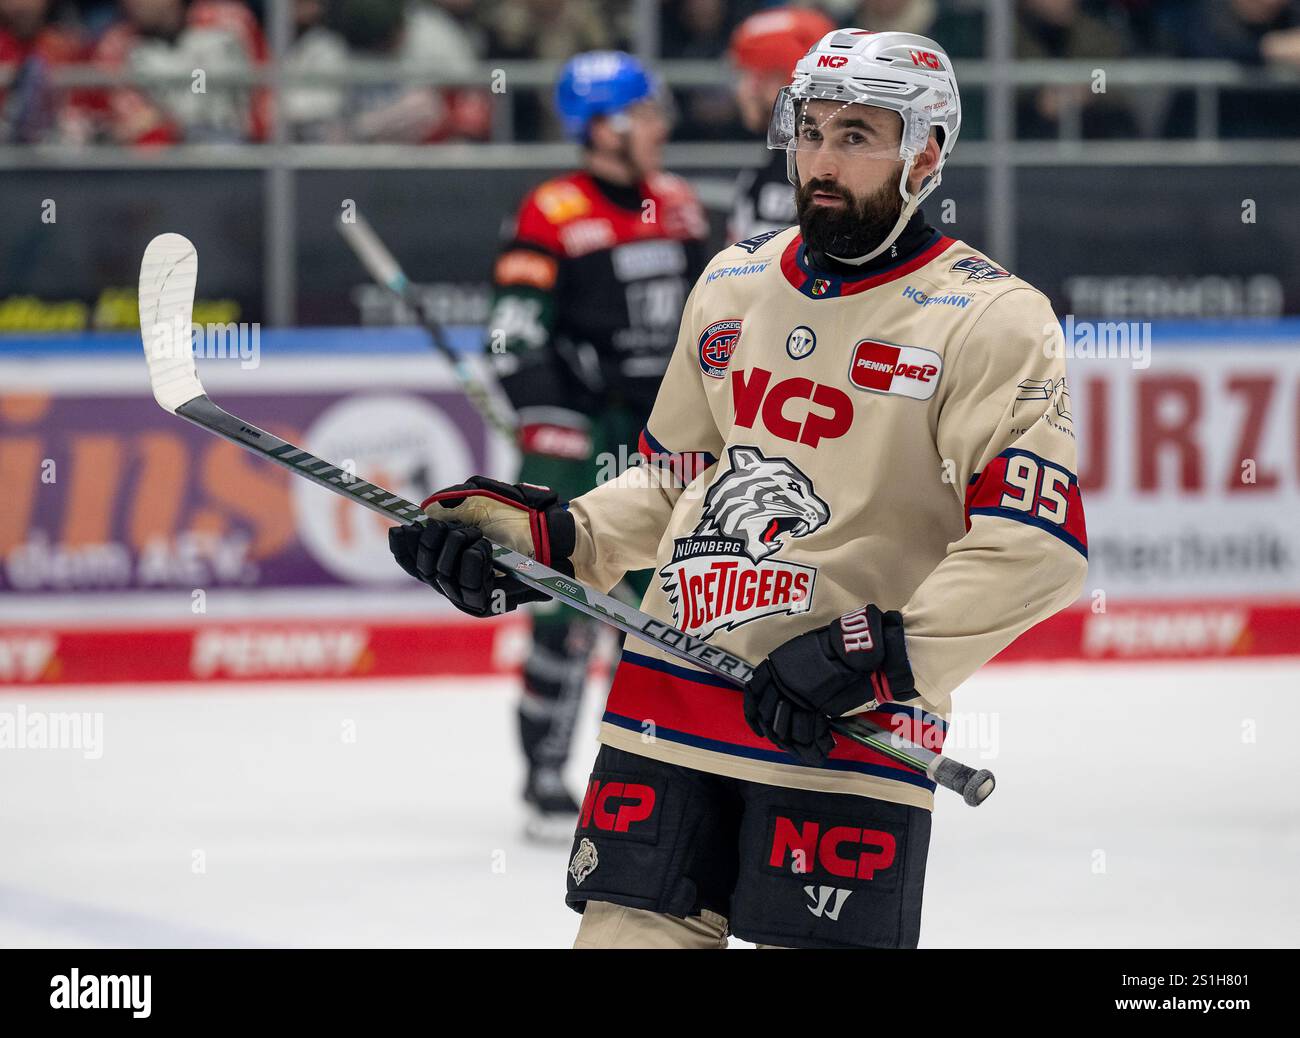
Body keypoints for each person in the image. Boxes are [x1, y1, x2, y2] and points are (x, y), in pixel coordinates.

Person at [391, 29, 1087, 948]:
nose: (822, 161)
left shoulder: (994, 319)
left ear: (926, 151)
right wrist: (552, 539)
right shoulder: (734, 282)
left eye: (856, 135)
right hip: (669, 702)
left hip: (844, 729)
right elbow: (672, 484)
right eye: (810, 131)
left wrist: (881, 656)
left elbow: (1038, 550)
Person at [473, 51, 709, 840]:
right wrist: (546, 411)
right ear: (604, 126)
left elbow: (720, 324)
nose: (661, 127)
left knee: (657, 606)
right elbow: (513, 333)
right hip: (579, 434)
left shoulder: (678, 206)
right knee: (559, 604)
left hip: (660, 438)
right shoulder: (552, 210)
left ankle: (653, 774)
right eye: (646, 113)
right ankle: (543, 772)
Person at [726, 6, 834, 242]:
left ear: (778, 78)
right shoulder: (759, 172)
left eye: (746, 75)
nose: (740, 91)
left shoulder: (830, 175)